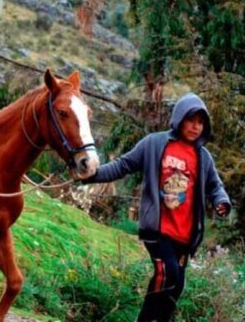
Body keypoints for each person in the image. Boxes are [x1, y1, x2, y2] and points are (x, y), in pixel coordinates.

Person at [84, 92, 231, 321]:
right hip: (158, 230)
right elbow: (123, 165)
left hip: (184, 236)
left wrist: (222, 202)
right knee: (167, 274)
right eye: (191, 120)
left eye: (201, 122)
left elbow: (215, 186)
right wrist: (91, 175)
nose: (196, 127)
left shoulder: (204, 158)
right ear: (180, 118)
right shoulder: (154, 143)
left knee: (176, 287)